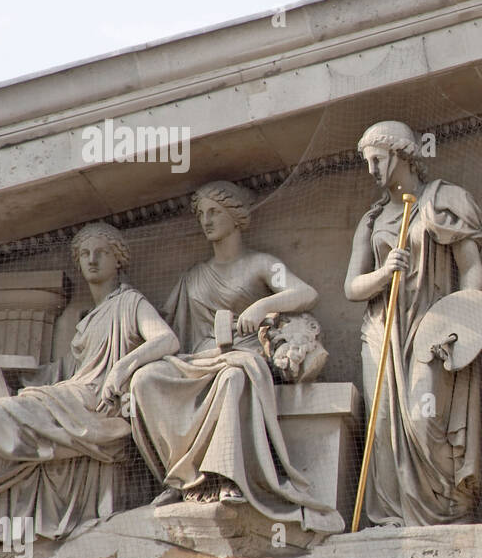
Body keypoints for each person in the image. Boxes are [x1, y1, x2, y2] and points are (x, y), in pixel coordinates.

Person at [0, 222, 177, 542]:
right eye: (85, 254)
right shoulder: (89, 318)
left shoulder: (130, 302)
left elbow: (166, 340)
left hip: (96, 405)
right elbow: (65, 371)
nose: (91, 260)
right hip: (71, 394)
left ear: (118, 259)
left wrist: (122, 368)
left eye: (100, 253)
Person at [129, 181, 344, 533]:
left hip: (243, 355)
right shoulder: (194, 276)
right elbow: (169, 327)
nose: (206, 220)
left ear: (236, 216)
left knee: (233, 377)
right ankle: (182, 478)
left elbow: (306, 292)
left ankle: (228, 476)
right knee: (145, 380)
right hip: (198, 360)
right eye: (201, 214)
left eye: (214, 212)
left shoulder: (259, 265)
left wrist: (263, 306)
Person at [345, 120, 482, 526]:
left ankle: (444, 511)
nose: (371, 169)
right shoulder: (372, 222)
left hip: (434, 328)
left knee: (424, 418)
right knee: (385, 425)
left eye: (377, 159)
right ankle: (393, 518)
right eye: (366, 161)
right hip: (382, 333)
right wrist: (384, 273)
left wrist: (464, 328)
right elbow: (352, 287)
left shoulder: (443, 202)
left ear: (403, 155)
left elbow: (472, 270)